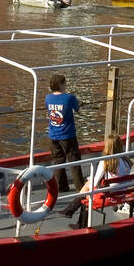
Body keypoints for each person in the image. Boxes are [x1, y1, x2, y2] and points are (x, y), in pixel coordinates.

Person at [44, 74, 86, 212]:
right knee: (73, 160)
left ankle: (61, 187)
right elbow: (78, 109)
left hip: (53, 135)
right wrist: (79, 104)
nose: (66, 85)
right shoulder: (69, 97)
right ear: (61, 85)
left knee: (58, 161)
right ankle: (80, 188)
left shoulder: (48, 98)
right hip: (67, 135)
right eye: (65, 83)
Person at [82, 134, 131, 214]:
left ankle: (74, 211)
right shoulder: (126, 161)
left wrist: (90, 180)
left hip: (109, 197)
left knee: (87, 188)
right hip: (122, 194)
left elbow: (95, 183)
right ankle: (70, 209)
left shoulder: (105, 161)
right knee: (88, 185)